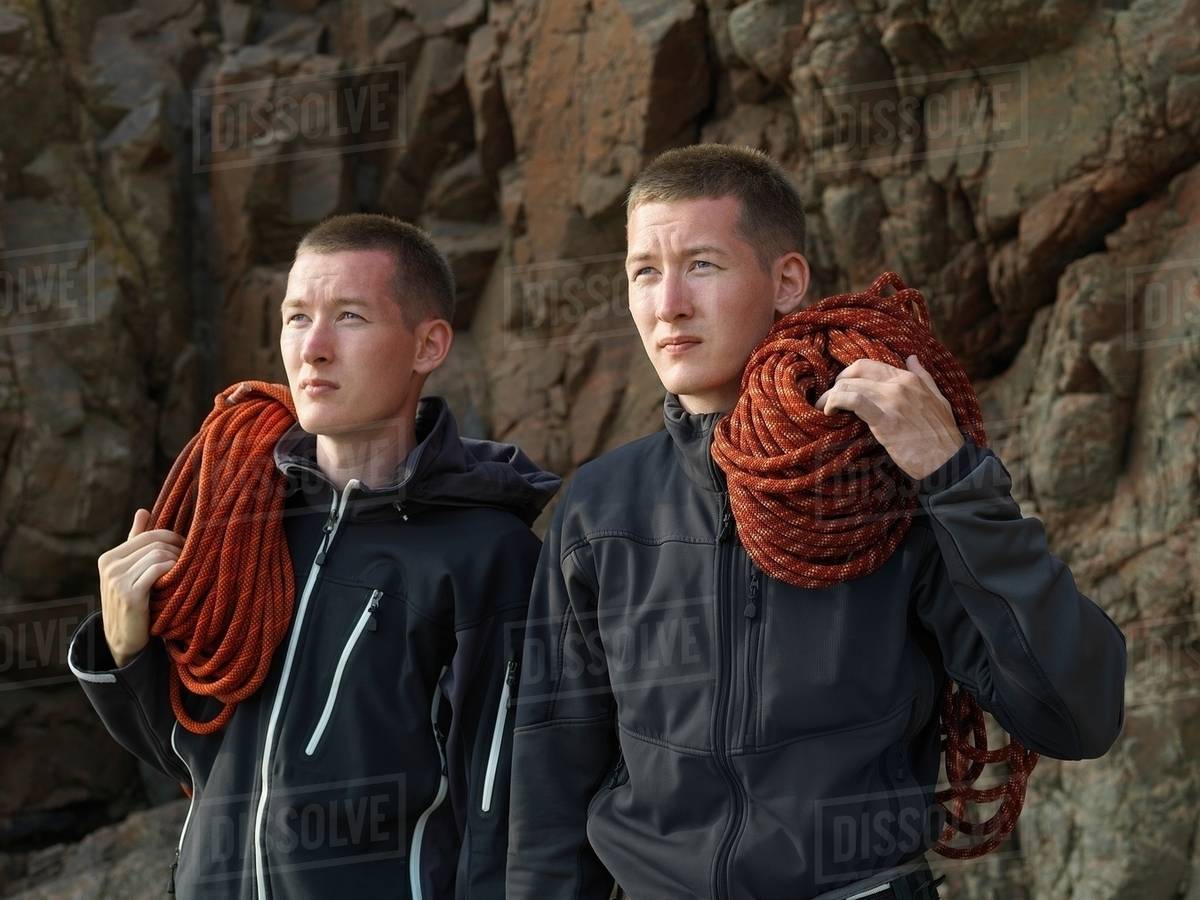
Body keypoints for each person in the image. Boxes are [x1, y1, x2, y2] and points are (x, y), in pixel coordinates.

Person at [505, 144, 1127, 900]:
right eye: (644, 271)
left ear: (787, 282)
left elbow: (1076, 715)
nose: (668, 304)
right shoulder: (600, 508)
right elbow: (547, 791)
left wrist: (955, 478)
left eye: (702, 264)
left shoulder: (885, 487)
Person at [68, 214, 560, 899]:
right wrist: (127, 655)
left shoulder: (488, 559)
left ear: (428, 345)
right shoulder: (239, 524)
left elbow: (504, 822)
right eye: (297, 317)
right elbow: (199, 758)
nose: (314, 348)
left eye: (349, 317)